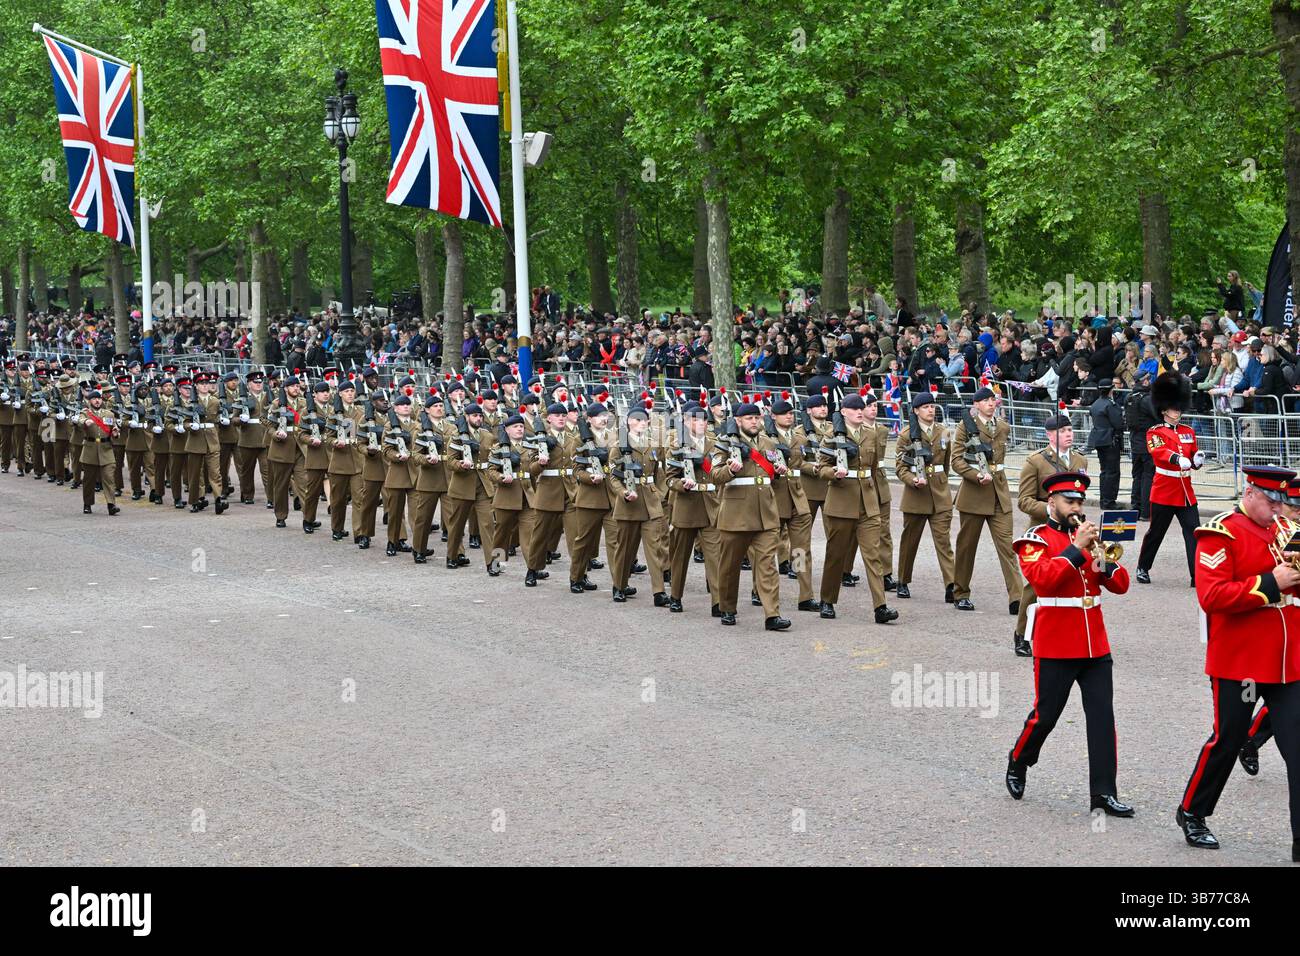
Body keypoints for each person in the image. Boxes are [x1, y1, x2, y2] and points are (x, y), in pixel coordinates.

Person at [1176, 466, 1300, 862]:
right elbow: (1212, 597)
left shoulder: (1281, 531)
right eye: (1271, 500)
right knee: (1228, 740)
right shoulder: (1220, 532)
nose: (1278, 509)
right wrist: (1270, 583)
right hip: (1241, 663)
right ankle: (1193, 811)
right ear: (1250, 492)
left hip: (1287, 662)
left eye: (1283, 502)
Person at [1005, 471, 1133, 818]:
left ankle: (1104, 794)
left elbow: (1121, 585)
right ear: (1052, 503)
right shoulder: (1035, 539)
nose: (1077, 507)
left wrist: (1102, 560)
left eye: (1079, 501)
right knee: (1046, 716)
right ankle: (1020, 758)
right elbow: (1043, 580)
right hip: (1056, 642)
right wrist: (1076, 549)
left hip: (1095, 644)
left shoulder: (1090, 538)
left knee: (1102, 718)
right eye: (1069, 501)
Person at [814, 394, 897, 624]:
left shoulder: (871, 434)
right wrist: (833, 473)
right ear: (843, 412)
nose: (860, 411)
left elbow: (871, 469)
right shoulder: (832, 436)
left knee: (873, 555)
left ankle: (881, 606)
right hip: (841, 501)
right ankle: (827, 600)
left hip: (867, 502)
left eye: (862, 408)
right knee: (836, 555)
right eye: (854, 408)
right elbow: (822, 468)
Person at [708, 401, 791, 630]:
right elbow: (714, 475)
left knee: (767, 566)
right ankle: (727, 607)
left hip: (765, 512)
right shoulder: (725, 444)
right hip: (736, 514)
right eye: (749, 418)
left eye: (757, 418)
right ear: (738, 421)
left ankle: (772, 614)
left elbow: (772, 471)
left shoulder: (768, 442)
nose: (754, 421)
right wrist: (730, 469)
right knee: (729, 565)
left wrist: (780, 471)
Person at [1013, 413, 1088, 657]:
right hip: (1044, 531)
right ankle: (1023, 634)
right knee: (1036, 587)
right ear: (1049, 435)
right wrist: (1050, 508)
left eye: (1070, 430)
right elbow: (1023, 500)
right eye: (1062, 431)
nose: (1068, 434)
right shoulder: (1035, 462)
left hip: (1071, 531)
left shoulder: (1080, 459)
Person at [950, 388, 1022, 615]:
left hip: (999, 493)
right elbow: (956, 460)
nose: (991, 403)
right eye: (986, 400)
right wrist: (975, 475)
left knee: (1007, 548)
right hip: (974, 493)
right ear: (977, 404)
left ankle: (1017, 597)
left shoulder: (1002, 426)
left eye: (993, 400)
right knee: (966, 547)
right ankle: (961, 593)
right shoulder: (966, 426)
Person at [1136, 372, 1203, 585]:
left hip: (1185, 492)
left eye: (1179, 407)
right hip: (1164, 490)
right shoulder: (1154, 432)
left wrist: (1197, 460)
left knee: (1194, 532)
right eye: (1174, 408)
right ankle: (1143, 567)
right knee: (1156, 532)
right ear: (1164, 410)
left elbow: (1192, 453)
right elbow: (1158, 452)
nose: (1178, 411)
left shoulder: (1188, 431)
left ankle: (1197, 574)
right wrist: (1176, 459)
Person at [892, 392, 955, 603]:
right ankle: (903, 580)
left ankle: (951, 585)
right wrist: (912, 479)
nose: (931, 410)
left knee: (944, 542)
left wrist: (941, 482)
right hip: (916, 495)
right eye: (926, 407)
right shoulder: (907, 434)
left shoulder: (943, 432)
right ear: (916, 410)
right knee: (910, 541)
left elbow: (945, 465)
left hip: (939, 494)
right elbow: (900, 467)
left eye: (932, 406)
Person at [77, 389, 121, 516]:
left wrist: (115, 433)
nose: (97, 401)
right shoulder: (85, 413)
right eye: (94, 399)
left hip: (106, 449)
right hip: (90, 449)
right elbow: (79, 421)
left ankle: (111, 505)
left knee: (109, 478)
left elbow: (115, 429)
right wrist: (85, 422)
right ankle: (87, 503)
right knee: (89, 480)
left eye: (99, 399)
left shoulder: (109, 414)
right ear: (90, 401)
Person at [1086, 380, 1124, 509]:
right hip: (1110, 440)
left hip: (1099, 440)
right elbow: (1118, 423)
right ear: (1111, 389)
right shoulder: (1110, 404)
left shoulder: (1096, 404)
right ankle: (1109, 502)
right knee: (1112, 472)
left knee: (1104, 471)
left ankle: (1104, 500)